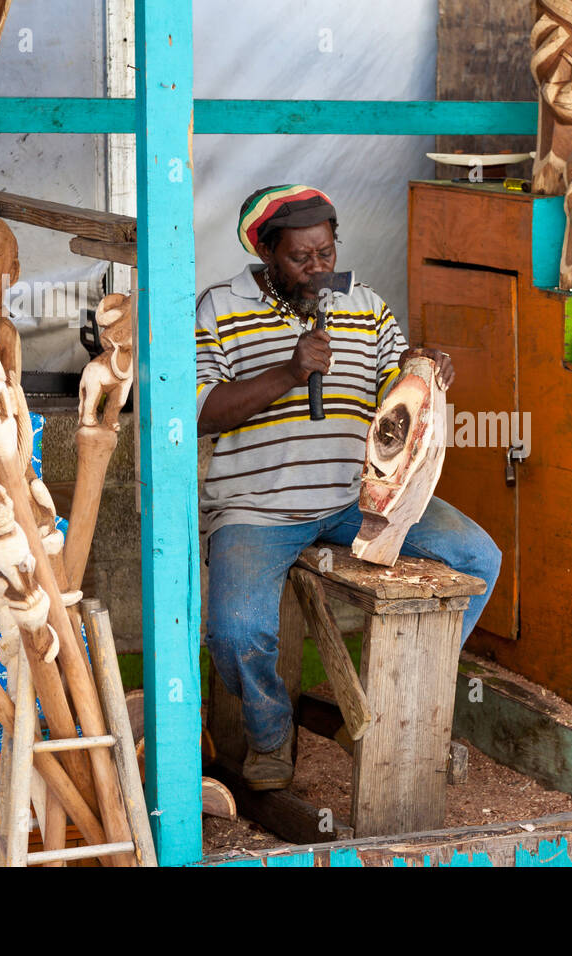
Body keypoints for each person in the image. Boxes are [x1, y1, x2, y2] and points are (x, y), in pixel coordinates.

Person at [195, 185, 501, 790]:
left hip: (359, 501)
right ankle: (270, 733)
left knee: (478, 557)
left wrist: (424, 369)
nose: (317, 270)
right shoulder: (217, 308)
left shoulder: (365, 305)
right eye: (299, 259)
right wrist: (290, 370)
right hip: (256, 509)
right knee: (233, 630)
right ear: (265, 252)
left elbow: (397, 394)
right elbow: (204, 411)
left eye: (326, 254)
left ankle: (391, 710)